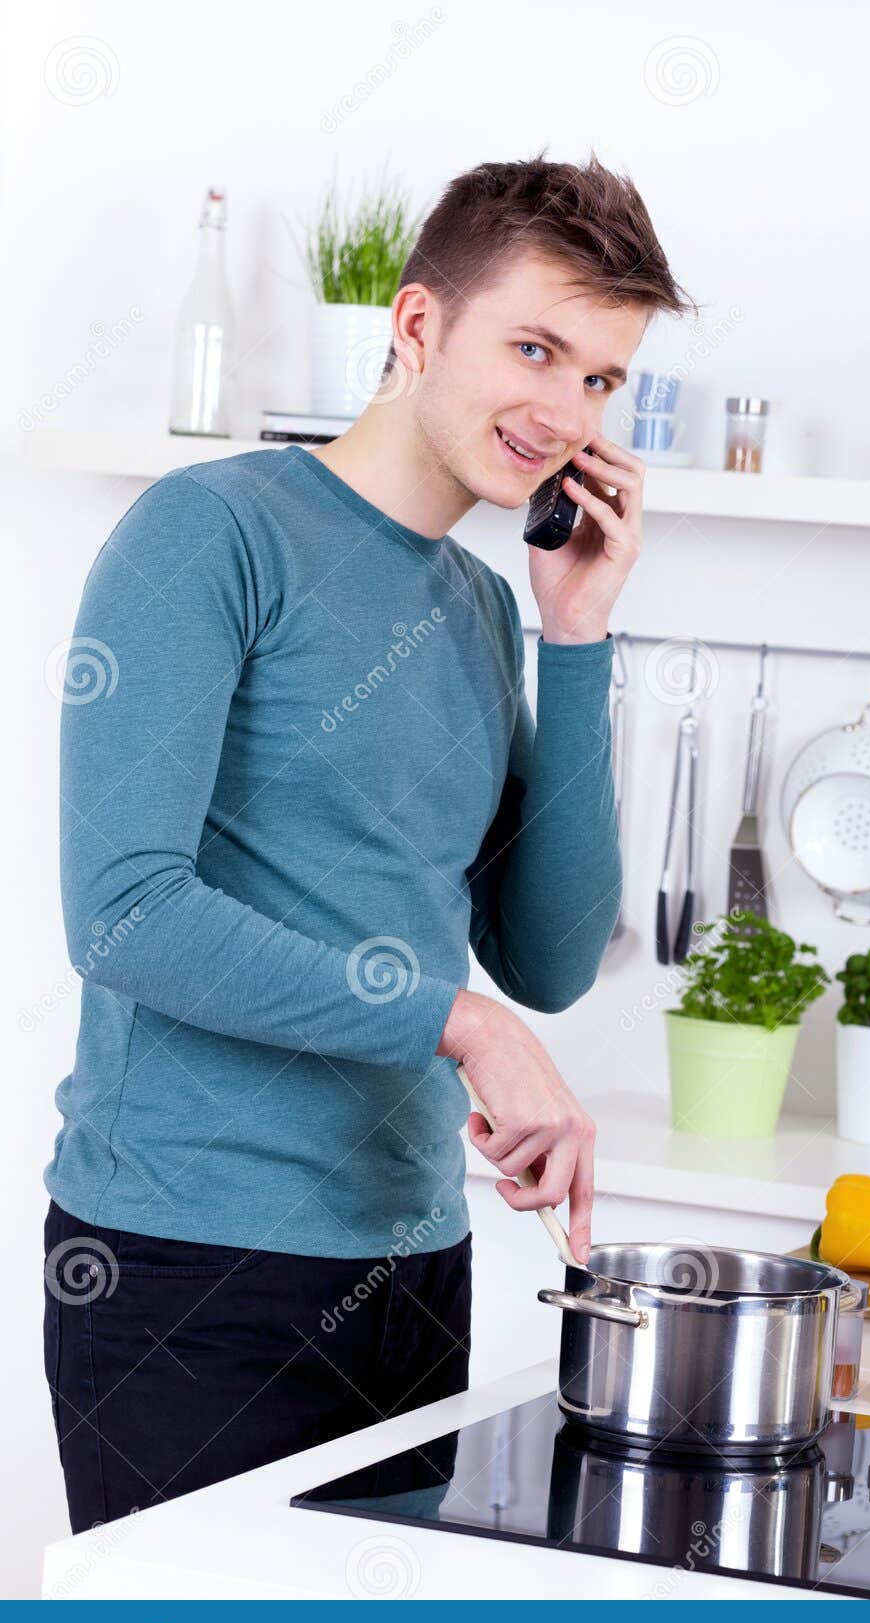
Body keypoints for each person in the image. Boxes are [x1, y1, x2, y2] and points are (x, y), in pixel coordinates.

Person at [43, 151, 693, 1531]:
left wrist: (573, 636)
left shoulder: (471, 603)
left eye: (598, 377)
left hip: (411, 1270)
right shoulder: (208, 534)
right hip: (186, 1274)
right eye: (534, 346)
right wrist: (459, 1024)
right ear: (415, 326)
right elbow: (123, 911)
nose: (563, 407)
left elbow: (553, 955)